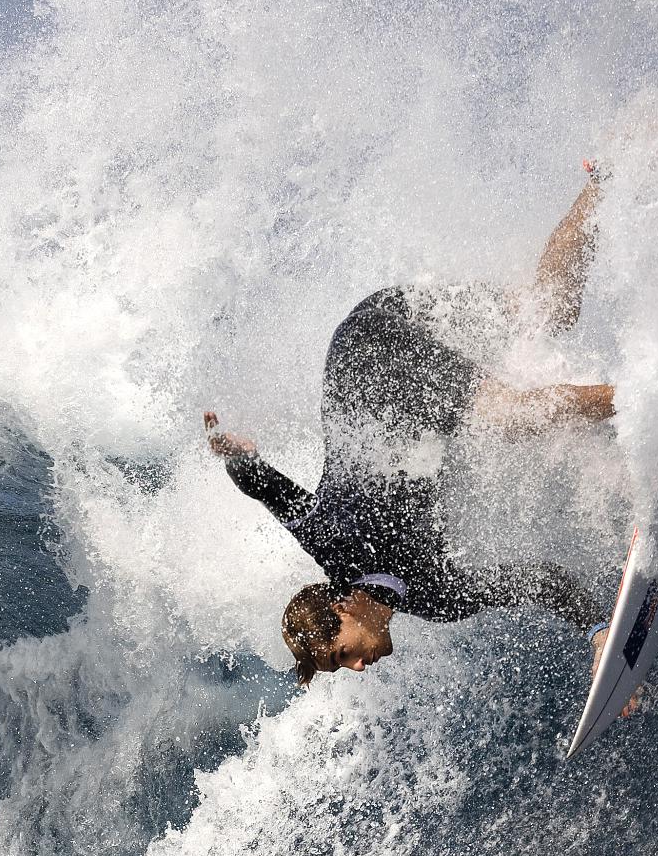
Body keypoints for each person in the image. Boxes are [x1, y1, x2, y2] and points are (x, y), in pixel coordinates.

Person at [205, 169, 619, 686]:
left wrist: (236, 457)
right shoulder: (437, 598)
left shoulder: (339, 545)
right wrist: (600, 630)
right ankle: (610, 175)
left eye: (340, 655)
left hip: (369, 352)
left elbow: (271, 492)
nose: (357, 667)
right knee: (550, 310)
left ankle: (641, 399)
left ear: (341, 611)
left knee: (508, 414)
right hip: (412, 379)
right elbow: (538, 581)